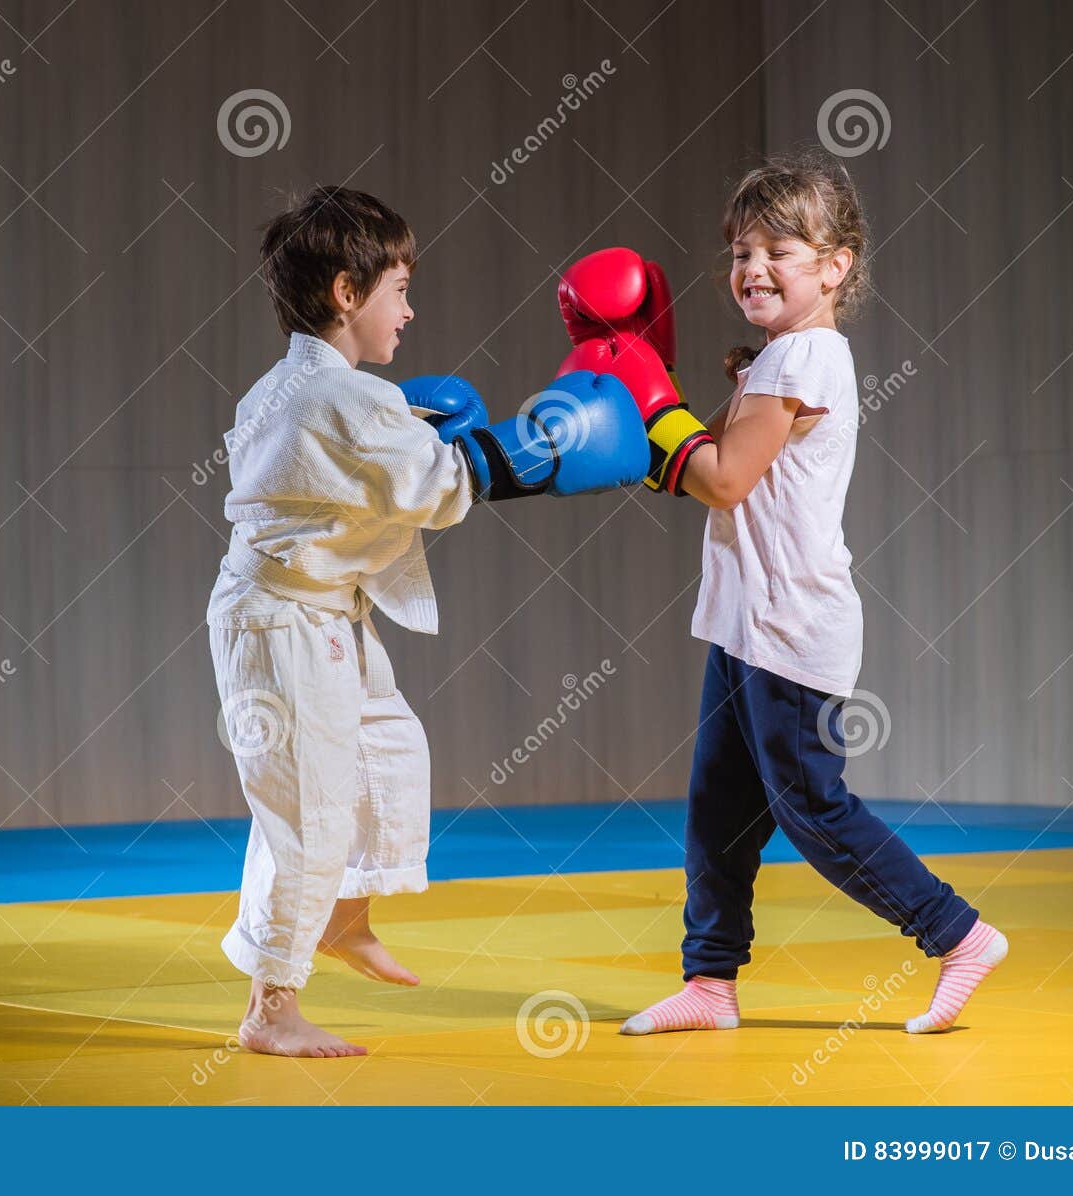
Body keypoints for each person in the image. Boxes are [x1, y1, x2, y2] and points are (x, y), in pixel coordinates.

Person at [552, 156, 1007, 1038]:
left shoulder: (802, 357)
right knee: (718, 811)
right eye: (740, 252)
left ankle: (958, 934)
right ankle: (710, 982)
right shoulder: (777, 358)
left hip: (792, 627)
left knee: (813, 808)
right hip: (746, 623)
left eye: (778, 251)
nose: (753, 268)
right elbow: (695, 469)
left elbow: (721, 479)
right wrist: (639, 406)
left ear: (835, 267)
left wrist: (647, 394)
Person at [208, 185, 651, 1057]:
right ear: (347, 292)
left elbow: (349, 471)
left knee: (388, 751)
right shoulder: (341, 399)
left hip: (317, 613)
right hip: (282, 623)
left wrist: (411, 425)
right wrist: (545, 442)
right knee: (306, 808)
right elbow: (440, 487)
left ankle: (342, 917)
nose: (410, 311)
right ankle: (271, 1009)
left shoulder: (304, 391)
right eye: (400, 290)